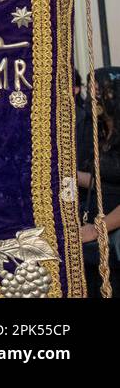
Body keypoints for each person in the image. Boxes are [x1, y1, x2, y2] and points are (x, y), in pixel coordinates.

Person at [77, 70, 120, 298]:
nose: (92, 93)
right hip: (98, 223)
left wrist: (97, 229)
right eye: (90, 88)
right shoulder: (96, 130)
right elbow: (99, 181)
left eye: (99, 88)